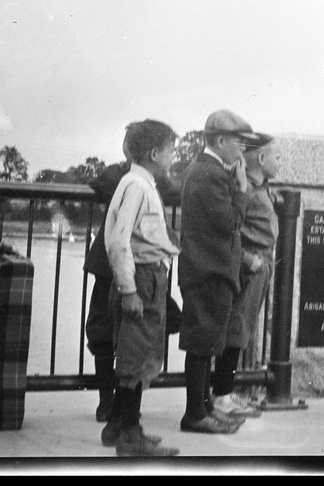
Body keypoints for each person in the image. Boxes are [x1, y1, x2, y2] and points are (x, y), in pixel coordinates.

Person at [176, 109, 263, 434]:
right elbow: (230, 222)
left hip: (210, 270)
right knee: (201, 346)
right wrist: (241, 188)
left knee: (208, 342)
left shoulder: (206, 170)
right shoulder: (209, 174)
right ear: (221, 140)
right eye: (239, 141)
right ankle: (194, 414)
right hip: (208, 272)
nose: (243, 148)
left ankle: (205, 408)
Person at [98, 119, 181, 457]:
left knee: (140, 350)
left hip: (148, 276)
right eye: (170, 151)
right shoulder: (137, 186)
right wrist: (129, 289)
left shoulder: (139, 182)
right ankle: (131, 436)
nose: (173, 157)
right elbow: (119, 241)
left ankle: (118, 423)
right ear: (153, 153)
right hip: (142, 278)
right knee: (138, 356)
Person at [83, 163, 181, 424]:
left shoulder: (117, 176)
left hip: (110, 265)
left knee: (104, 333)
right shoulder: (143, 181)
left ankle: (110, 404)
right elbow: (174, 191)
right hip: (129, 267)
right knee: (135, 335)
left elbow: (98, 182)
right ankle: (119, 410)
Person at [208, 135, 282, 419]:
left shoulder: (260, 188)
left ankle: (225, 392)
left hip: (259, 263)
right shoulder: (246, 189)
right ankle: (221, 395)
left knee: (242, 327)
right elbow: (227, 230)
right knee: (235, 328)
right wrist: (247, 259)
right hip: (248, 263)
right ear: (261, 160)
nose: (281, 164)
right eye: (277, 158)